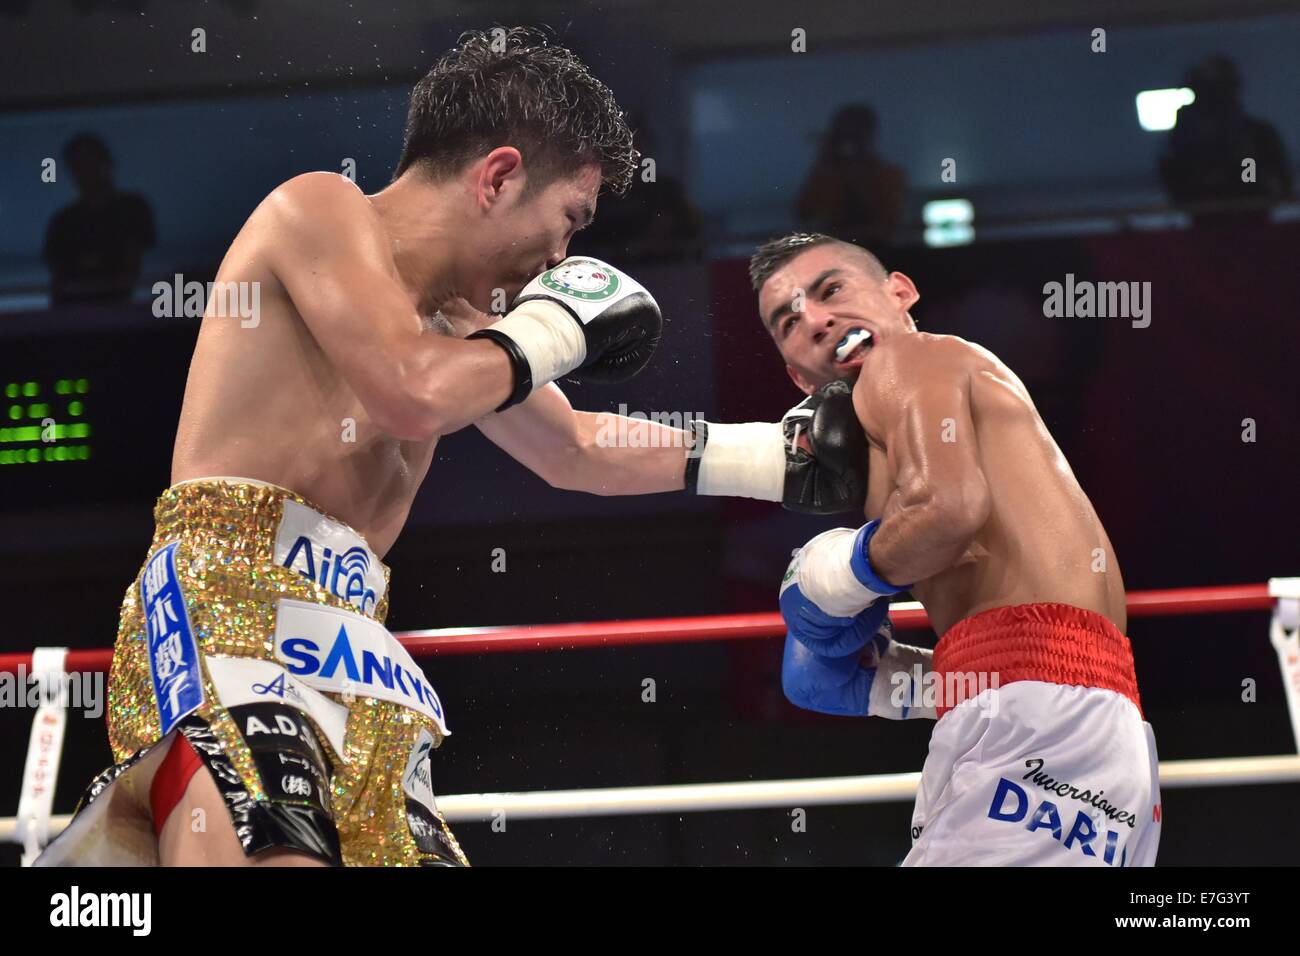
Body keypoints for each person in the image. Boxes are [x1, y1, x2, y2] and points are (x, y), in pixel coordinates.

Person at [37, 30, 865, 869]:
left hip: (352, 641)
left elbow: (576, 449)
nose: (562, 258)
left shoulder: (464, 333)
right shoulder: (319, 211)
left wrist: (772, 456)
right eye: (569, 220)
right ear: (499, 176)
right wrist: (551, 331)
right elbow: (409, 392)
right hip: (227, 604)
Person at [756, 232, 1161, 866]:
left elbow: (949, 511)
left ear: (901, 292)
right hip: (1078, 717)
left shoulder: (911, 358)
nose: (816, 319)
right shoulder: (886, 441)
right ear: (795, 374)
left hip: (1035, 718)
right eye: (789, 321)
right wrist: (903, 681)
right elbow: (820, 678)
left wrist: (841, 576)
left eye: (831, 289)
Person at [42, 132, 156, 305]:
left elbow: (134, 263)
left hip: (122, 310)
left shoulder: (132, 209)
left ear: (106, 163)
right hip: (72, 313)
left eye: (91, 162)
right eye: (79, 165)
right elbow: (58, 278)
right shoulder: (63, 222)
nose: (87, 171)